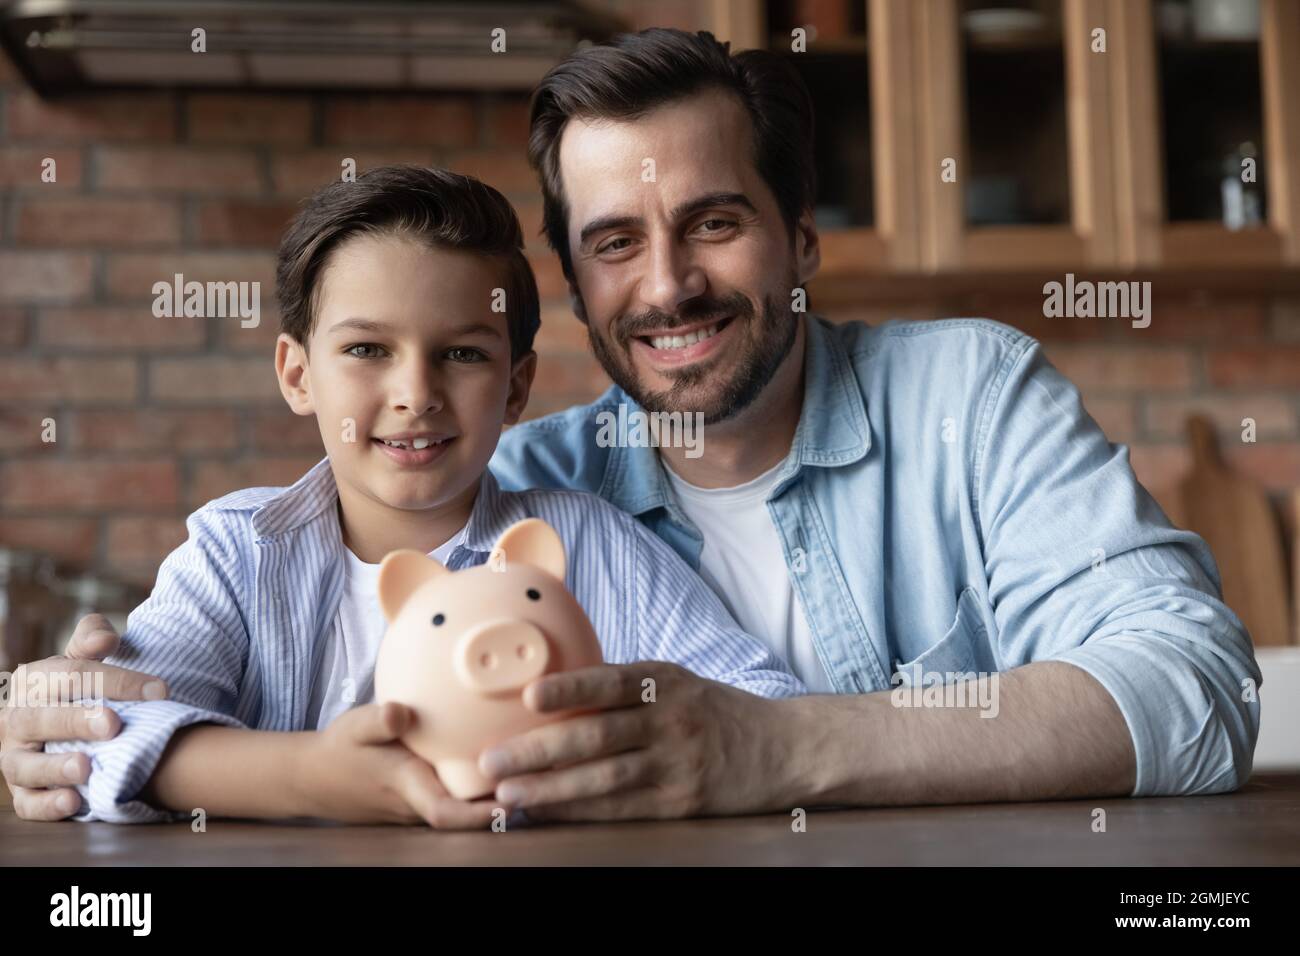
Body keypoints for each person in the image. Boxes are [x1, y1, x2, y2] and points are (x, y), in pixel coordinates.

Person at [4, 29, 1260, 824]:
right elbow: (171, 680)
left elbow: (1192, 691)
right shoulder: (525, 491)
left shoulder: (972, 399)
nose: (665, 285)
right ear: (574, 279)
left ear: (802, 238)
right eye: (614, 242)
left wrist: (781, 744)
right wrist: (62, 713)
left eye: (714, 221)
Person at [2, 164, 802, 825]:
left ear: (516, 387)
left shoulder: (589, 546)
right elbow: (101, 735)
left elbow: (760, 721)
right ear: (297, 374)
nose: (415, 392)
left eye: (461, 353)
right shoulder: (237, 553)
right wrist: (315, 775)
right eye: (366, 349)